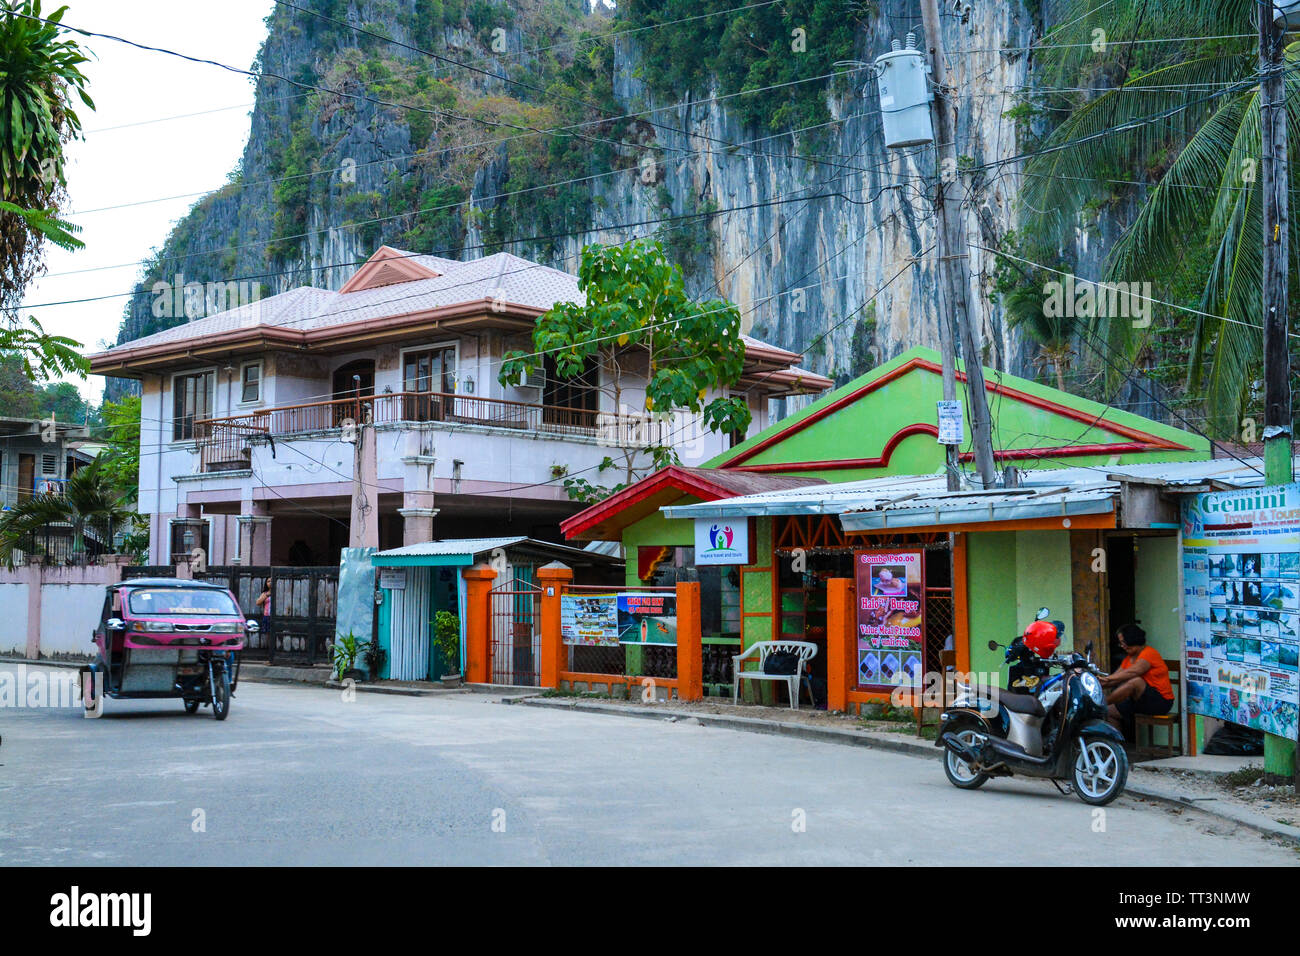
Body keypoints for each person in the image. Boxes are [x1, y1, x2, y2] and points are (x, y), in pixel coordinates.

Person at [1100, 623, 1173, 740]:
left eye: (1123, 642)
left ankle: (1101, 704)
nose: (1122, 646)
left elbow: (1133, 672)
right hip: (1139, 701)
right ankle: (1117, 747)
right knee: (1108, 712)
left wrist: (1108, 679)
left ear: (1132, 639)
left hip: (1161, 702)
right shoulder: (1129, 658)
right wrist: (1097, 683)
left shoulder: (1149, 653)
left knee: (1136, 681)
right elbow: (1114, 678)